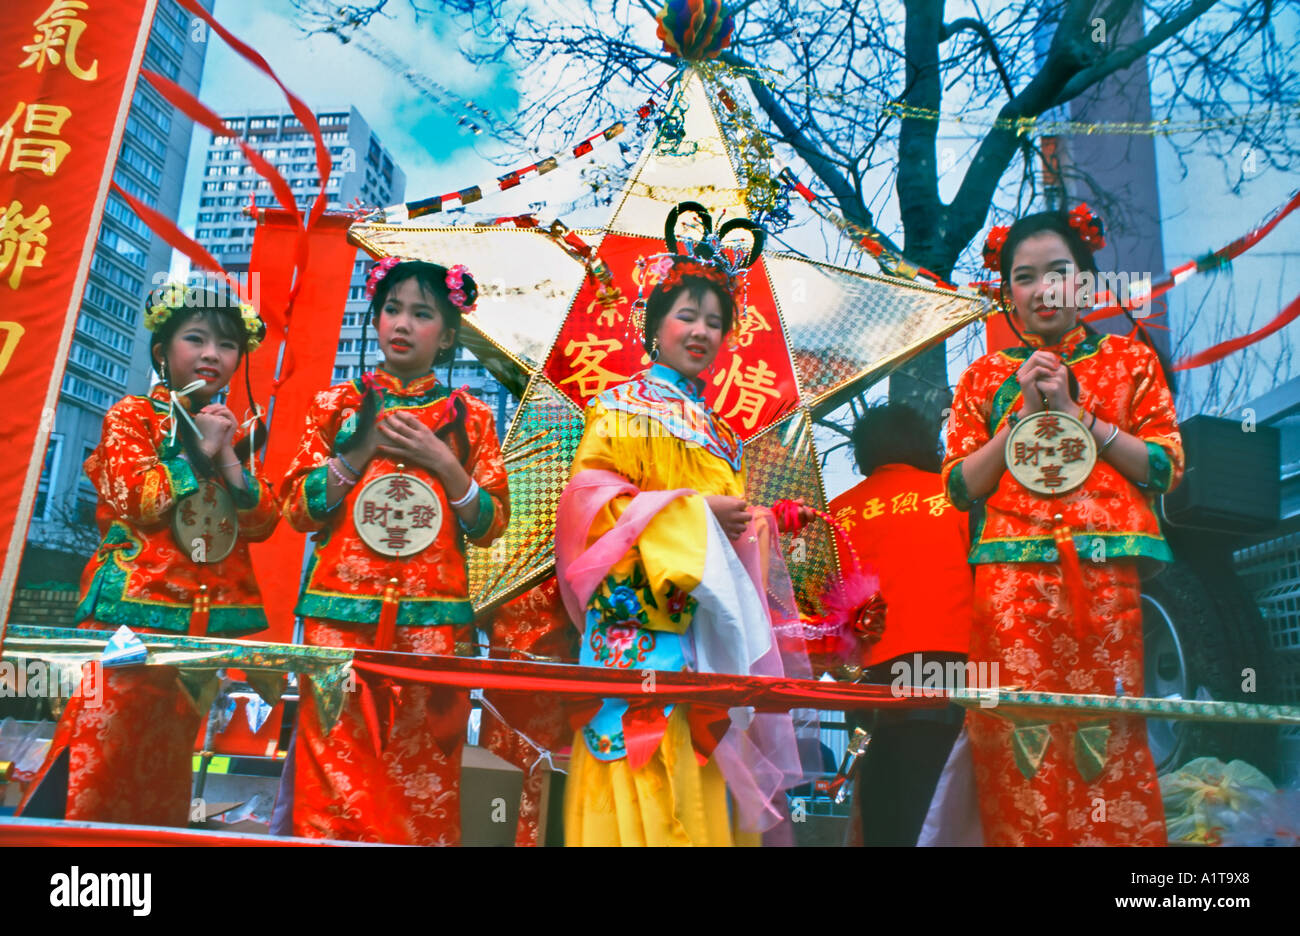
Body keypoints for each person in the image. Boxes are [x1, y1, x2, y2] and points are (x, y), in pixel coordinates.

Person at [554, 203, 810, 846]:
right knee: (641, 771)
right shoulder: (621, 407)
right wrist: (695, 515)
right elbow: (591, 512)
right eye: (686, 315)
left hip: (707, 633)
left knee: (704, 783)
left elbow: (724, 536)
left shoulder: (723, 433)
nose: (701, 331)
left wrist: (754, 527)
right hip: (641, 627)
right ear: (655, 326)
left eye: (715, 322)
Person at [940, 207, 1184, 845]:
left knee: (1106, 727)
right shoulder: (984, 376)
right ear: (1007, 293)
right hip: (1009, 581)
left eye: (1059, 272)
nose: (1043, 288)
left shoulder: (1130, 360)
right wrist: (1020, 414)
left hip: (1103, 575)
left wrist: (1080, 414)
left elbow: (1164, 465)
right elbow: (960, 486)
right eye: (1025, 277)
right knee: (1016, 729)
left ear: (1085, 281)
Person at [19, 281, 277, 827]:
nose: (212, 354)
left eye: (227, 344)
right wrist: (199, 452)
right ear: (162, 351)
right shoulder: (131, 415)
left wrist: (227, 452)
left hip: (197, 622)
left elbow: (261, 522)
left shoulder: (235, 429)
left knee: (168, 755)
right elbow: (138, 499)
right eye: (195, 338)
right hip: (130, 616)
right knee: (101, 739)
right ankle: (70, 851)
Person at [279, 258, 509, 845]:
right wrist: (355, 454)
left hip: (434, 625)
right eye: (392, 309)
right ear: (376, 319)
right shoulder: (336, 405)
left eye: (422, 313)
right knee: (334, 772)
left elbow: (492, 524)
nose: (402, 323)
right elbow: (296, 508)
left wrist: (445, 464)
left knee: (424, 773)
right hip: (338, 618)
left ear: (449, 333)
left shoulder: (472, 420)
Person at [828, 401, 973, 846]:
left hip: (869, 676)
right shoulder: (955, 497)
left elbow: (823, 610)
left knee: (881, 791)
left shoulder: (837, 514)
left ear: (863, 452)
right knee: (942, 795)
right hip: (948, 668)